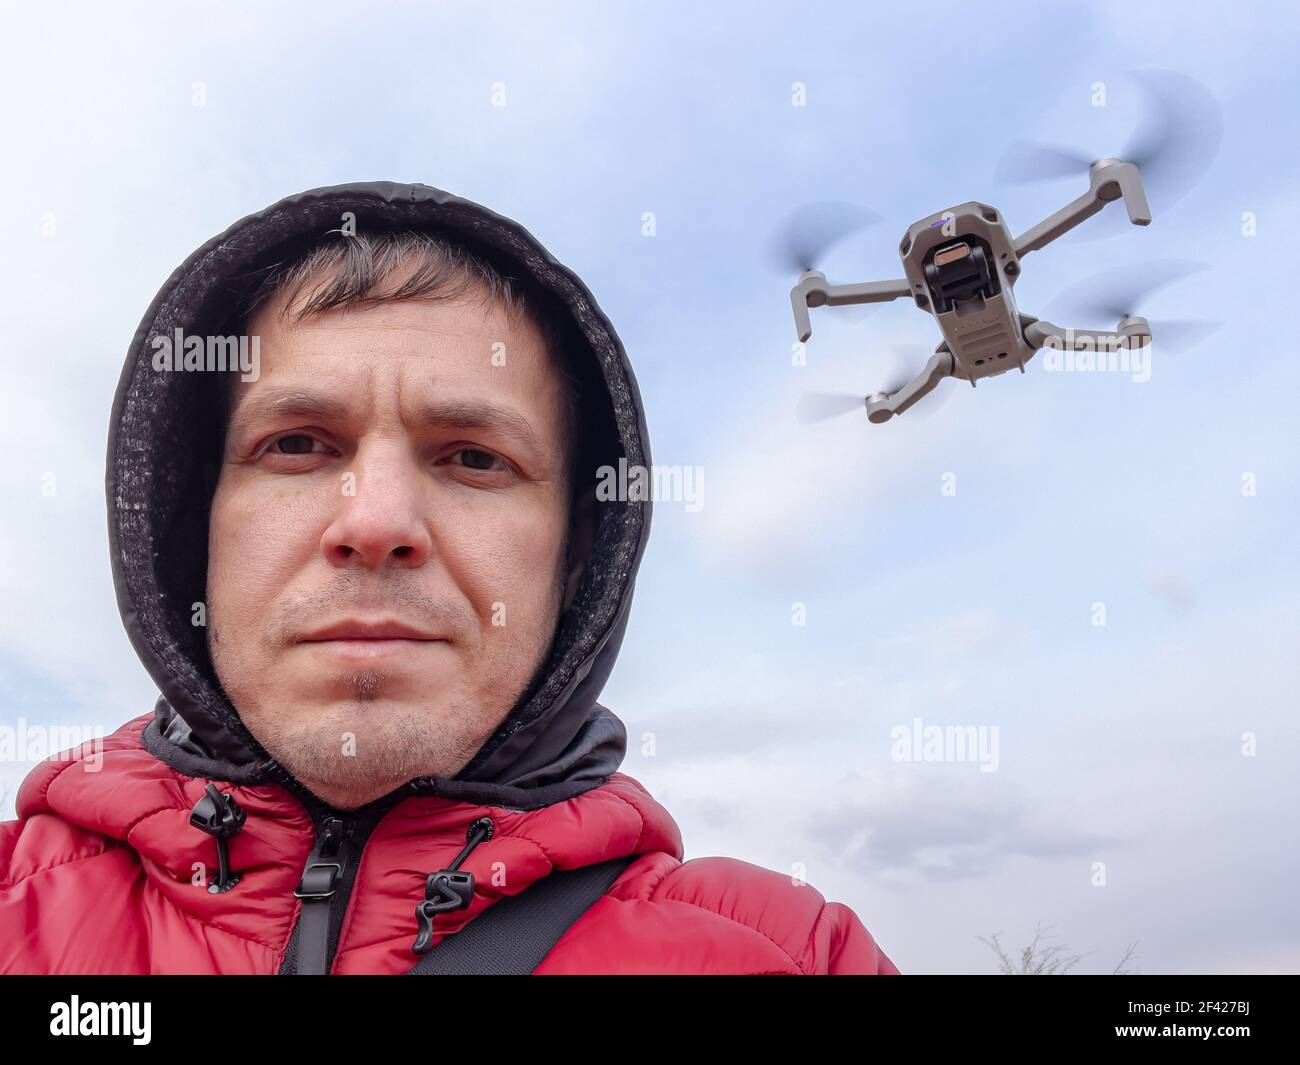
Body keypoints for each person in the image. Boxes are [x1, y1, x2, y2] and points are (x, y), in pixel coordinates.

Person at [0, 181, 898, 974]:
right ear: (192, 523)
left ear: (578, 550)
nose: (376, 521)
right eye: (298, 444)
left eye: (473, 457)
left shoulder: (793, 956)